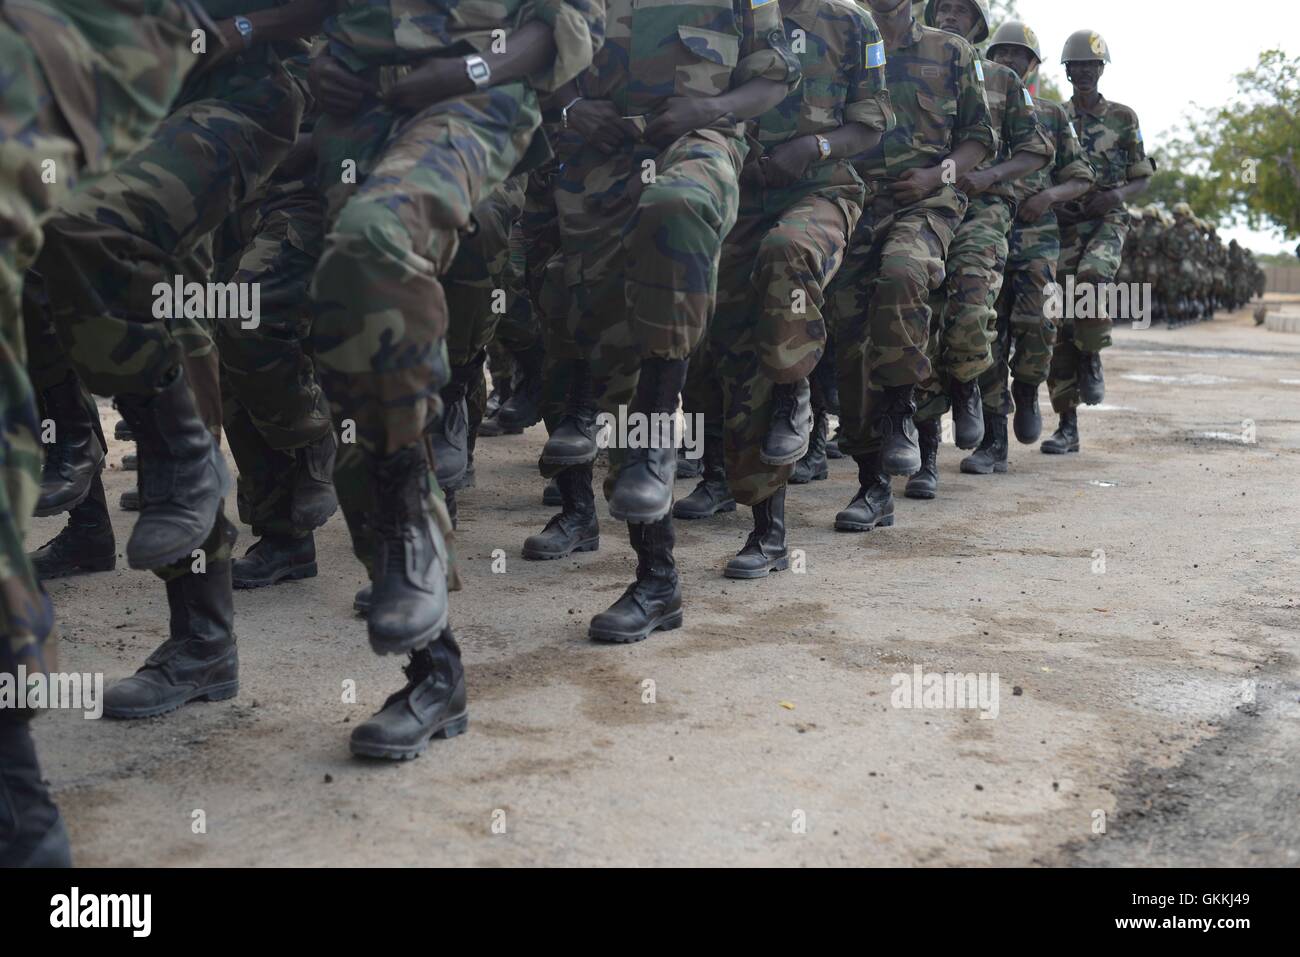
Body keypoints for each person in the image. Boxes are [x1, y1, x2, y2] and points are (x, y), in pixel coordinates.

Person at [542, 0, 800, 640]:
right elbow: (531, 54)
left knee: (676, 206)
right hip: (597, 169)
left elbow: (773, 78)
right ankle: (657, 582)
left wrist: (712, 110)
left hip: (699, 143)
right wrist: (573, 108)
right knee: (616, 358)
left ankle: (663, 428)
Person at [822, 0, 993, 532]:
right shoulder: (846, 41)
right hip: (852, 201)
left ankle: (901, 409)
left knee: (903, 273)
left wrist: (938, 176)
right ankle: (872, 485)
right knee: (848, 332)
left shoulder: (951, 51)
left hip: (926, 202)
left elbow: (979, 140)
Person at [960, 19, 1094, 476]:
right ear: (988, 59)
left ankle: (1028, 386)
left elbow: (1081, 176)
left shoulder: (1053, 116)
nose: (1010, 61)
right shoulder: (973, 103)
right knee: (986, 331)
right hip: (980, 232)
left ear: (1034, 65)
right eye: (1002, 54)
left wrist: (1047, 197)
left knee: (1038, 320)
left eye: (1020, 55)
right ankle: (994, 439)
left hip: (1035, 238)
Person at [1043, 28, 1152, 456]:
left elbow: (1142, 177)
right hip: (1065, 224)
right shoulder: (1054, 117)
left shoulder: (1123, 117)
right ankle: (1066, 425)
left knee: (1091, 280)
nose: (1084, 72)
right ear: (1067, 71)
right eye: (1076, 66)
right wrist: (1056, 204)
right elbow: (1044, 171)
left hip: (1108, 218)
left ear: (1101, 69)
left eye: (1091, 65)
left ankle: (1093, 354)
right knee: (1059, 319)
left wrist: (1115, 195)